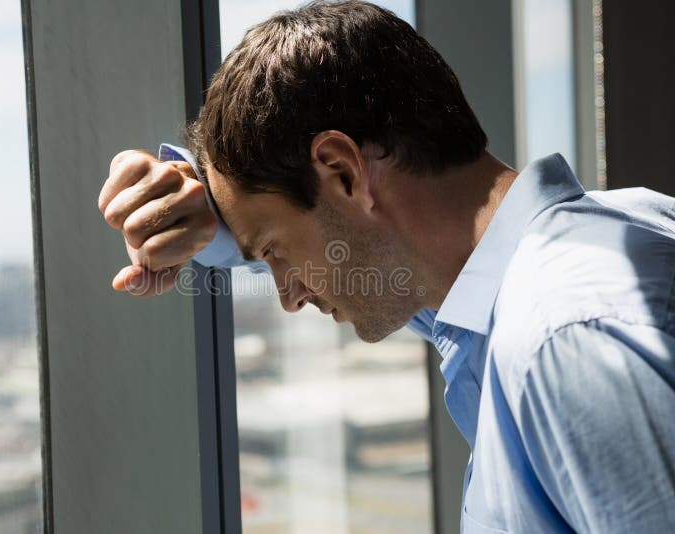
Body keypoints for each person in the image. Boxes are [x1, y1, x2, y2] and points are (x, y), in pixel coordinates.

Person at [97, 1, 675, 531]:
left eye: (273, 251)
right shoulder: (602, 235)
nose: (289, 297)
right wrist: (210, 210)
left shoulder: (563, 341)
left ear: (344, 173)